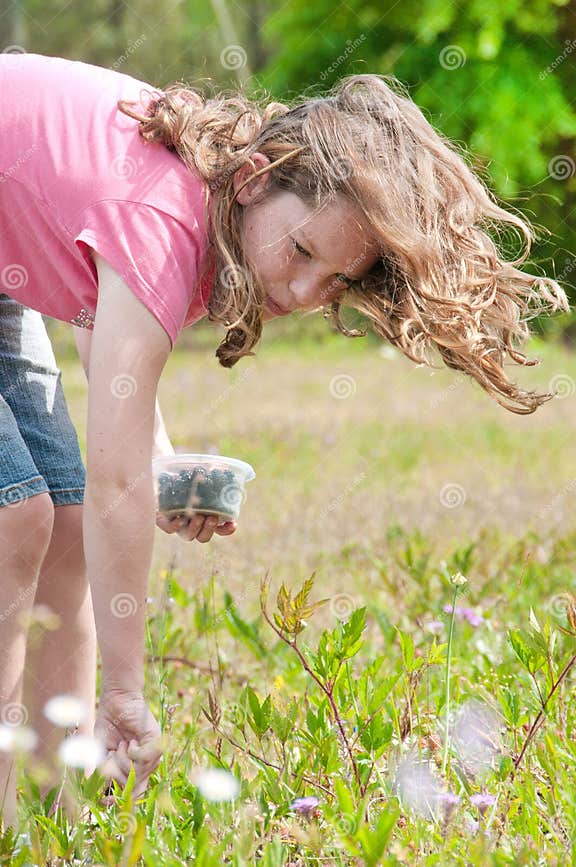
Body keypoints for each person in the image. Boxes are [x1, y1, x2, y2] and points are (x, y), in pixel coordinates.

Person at [0, 51, 569, 827]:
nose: (301, 293)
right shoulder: (166, 226)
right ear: (255, 177)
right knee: (17, 516)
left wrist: (167, 471)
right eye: (301, 253)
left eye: (334, 280)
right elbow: (117, 484)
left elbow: (117, 396)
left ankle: (49, 813)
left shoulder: (208, 215)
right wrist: (127, 691)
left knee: (63, 526)